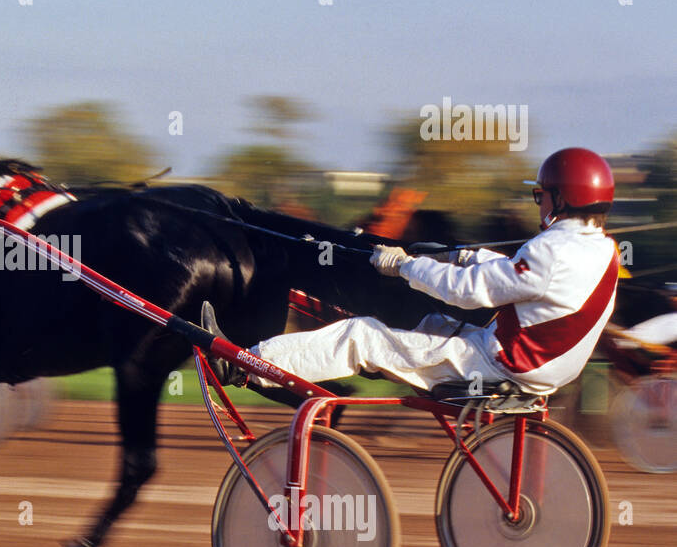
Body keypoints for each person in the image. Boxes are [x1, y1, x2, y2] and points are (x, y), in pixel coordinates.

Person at [220, 148, 620, 396]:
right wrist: (464, 255)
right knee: (426, 323)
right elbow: (516, 277)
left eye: (541, 194)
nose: (538, 203)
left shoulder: (551, 249)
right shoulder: (604, 251)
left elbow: (469, 293)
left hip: (498, 363)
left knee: (361, 336)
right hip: (539, 369)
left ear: (561, 198)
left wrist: (406, 265)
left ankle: (245, 364)